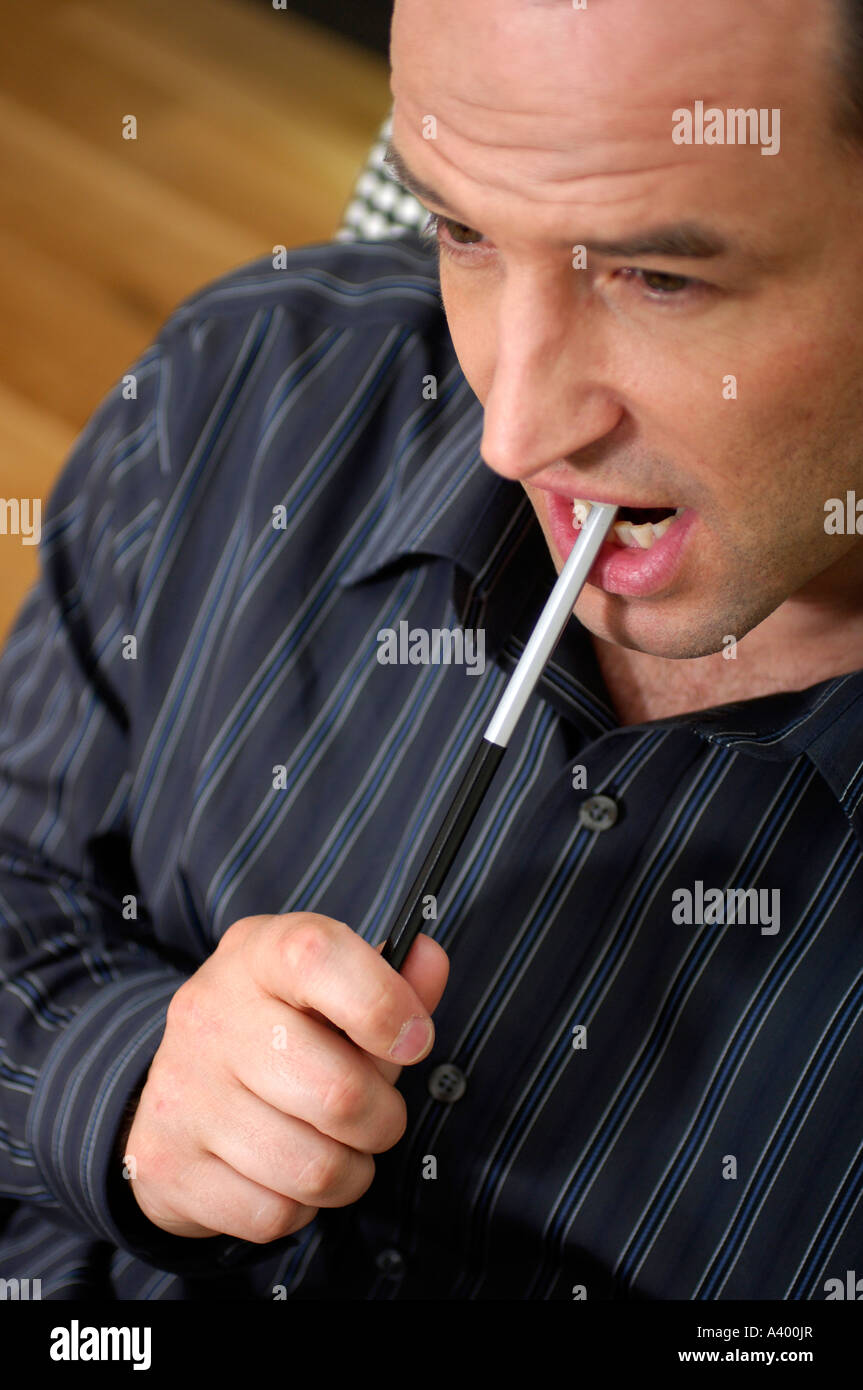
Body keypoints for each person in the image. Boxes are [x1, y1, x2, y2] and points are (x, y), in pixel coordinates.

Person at [1, 0, 862, 1301]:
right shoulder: (247, 386)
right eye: (462, 227)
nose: (512, 428)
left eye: (659, 276)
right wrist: (124, 1077)